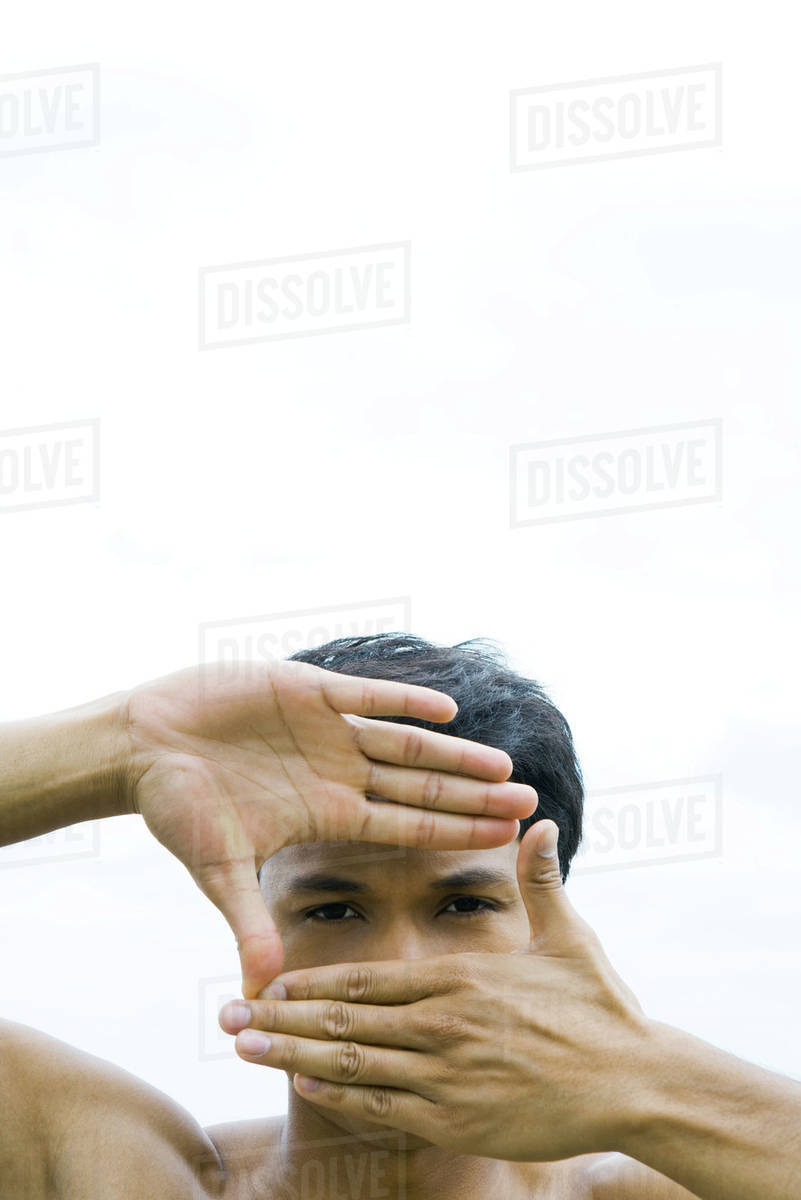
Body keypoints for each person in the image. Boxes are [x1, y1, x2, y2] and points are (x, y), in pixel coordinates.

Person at [1, 635, 799, 1199]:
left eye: (464, 904)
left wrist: (644, 1075)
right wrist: (119, 750)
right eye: (333, 907)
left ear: (548, 934)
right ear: (248, 919)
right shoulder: (110, 1171)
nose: (401, 967)